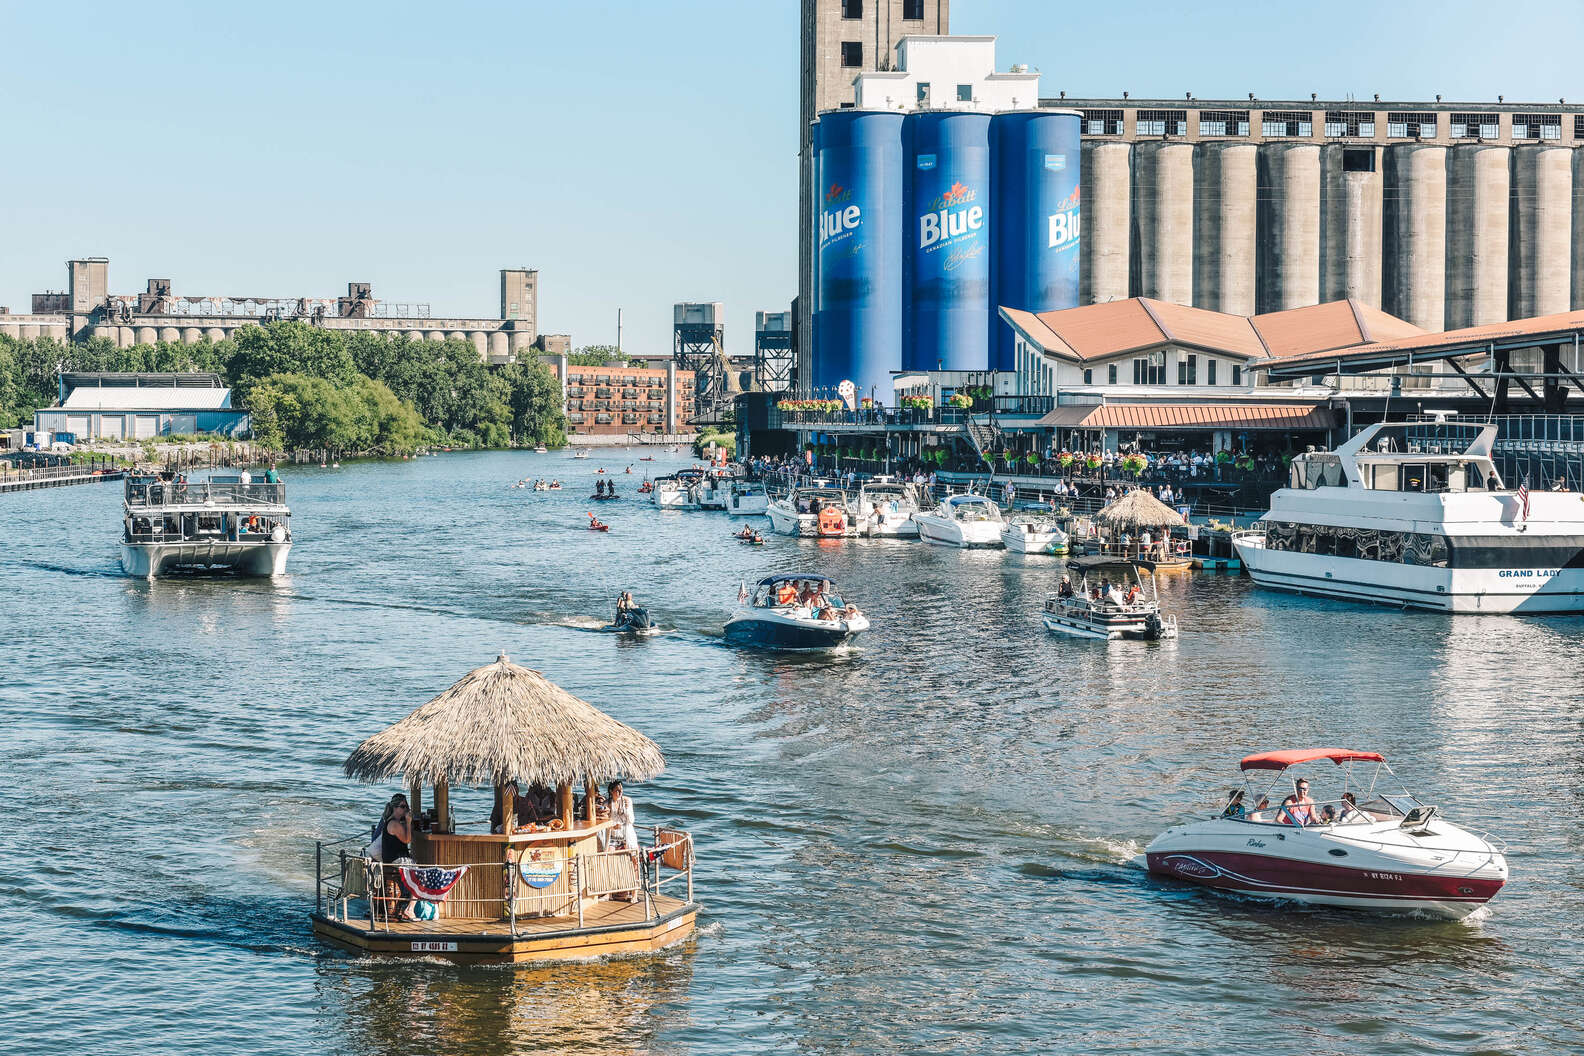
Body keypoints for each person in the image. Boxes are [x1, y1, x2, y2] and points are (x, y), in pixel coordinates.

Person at [380, 793, 416, 921]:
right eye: (403, 807)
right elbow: (407, 840)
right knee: (419, 875)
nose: (405, 810)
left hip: (393, 858)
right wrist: (408, 821)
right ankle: (410, 909)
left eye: (407, 807)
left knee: (415, 865)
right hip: (395, 860)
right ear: (395, 808)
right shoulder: (394, 824)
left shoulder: (393, 821)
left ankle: (406, 906)